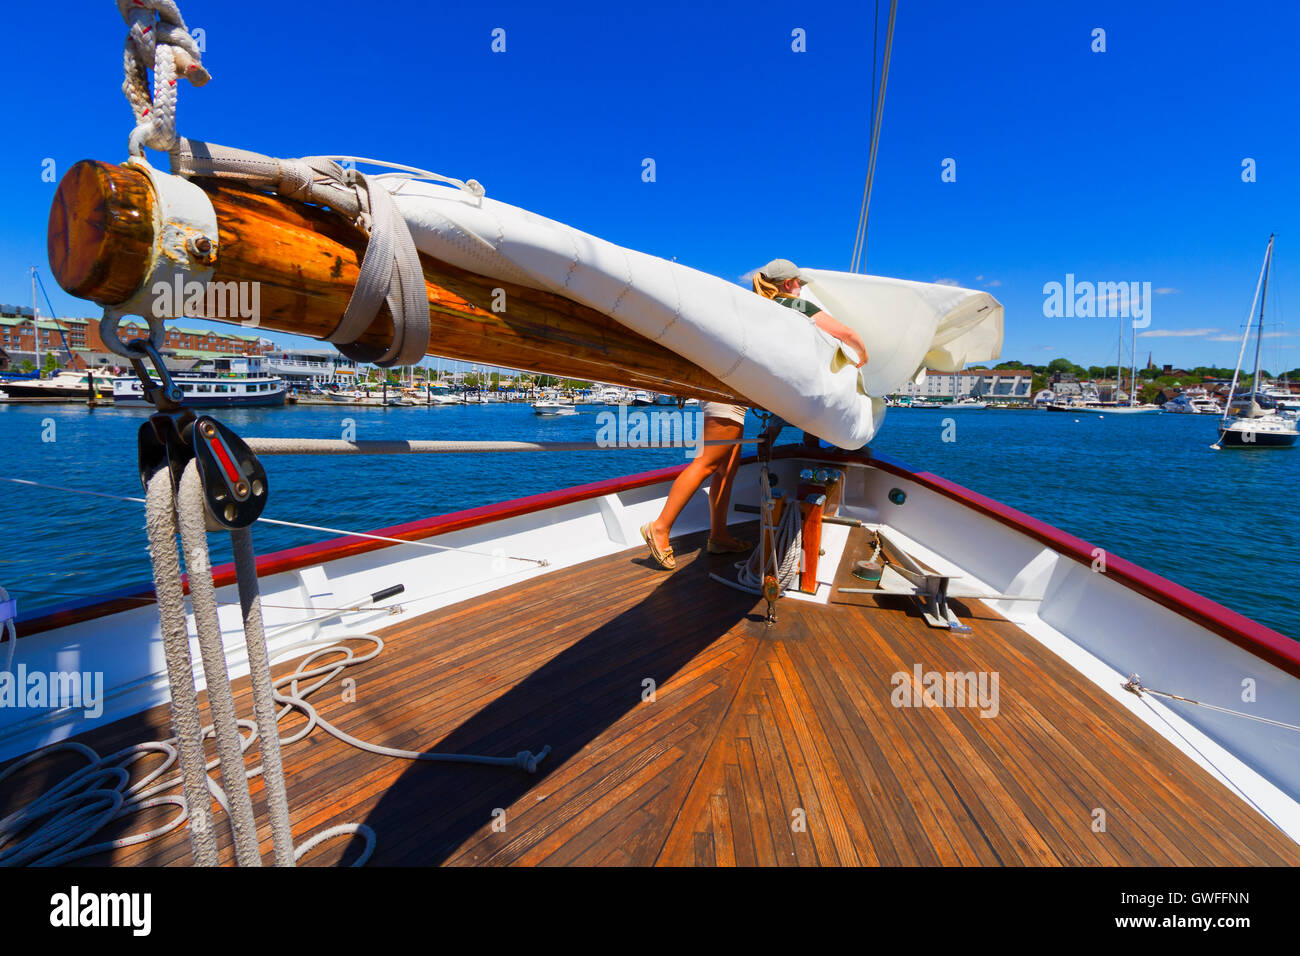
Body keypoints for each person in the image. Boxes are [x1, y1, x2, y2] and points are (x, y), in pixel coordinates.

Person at [640, 259, 866, 570]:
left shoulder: (757, 307)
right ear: (788, 284)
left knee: (726, 470)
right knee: (708, 462)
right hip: (724, 396)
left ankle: (719, 537)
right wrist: (863, 354)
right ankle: (660, 528)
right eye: (799, 282)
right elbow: (844, 333)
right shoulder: (791, 304)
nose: (802, 287)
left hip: (725, 394)